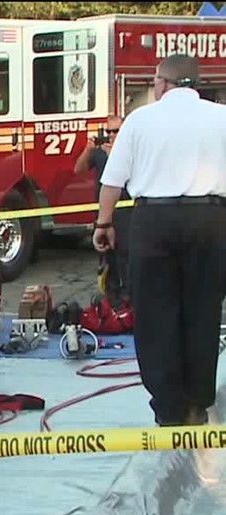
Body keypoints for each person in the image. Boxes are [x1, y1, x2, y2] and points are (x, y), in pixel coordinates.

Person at [95, 54, 226, 427]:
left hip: (154, 220)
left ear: (162, 83)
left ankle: (168, 406)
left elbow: (112, 181)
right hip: (211, 219)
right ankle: (197, 402)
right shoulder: (222, 117)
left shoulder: (140, 120)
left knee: (156, 315)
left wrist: (103, 224)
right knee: (203, 310)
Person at [75, 115, 132, 305]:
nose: (110, 136)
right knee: (107, 259)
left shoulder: (129, 152)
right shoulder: (99, 153)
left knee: (125, 256)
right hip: (103, 213)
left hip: (125, 212)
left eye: (115, 131)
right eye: (107, 131)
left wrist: (113, 156)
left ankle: (127, 297)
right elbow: (79, 169)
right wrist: (88, 149)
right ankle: (110, 295)